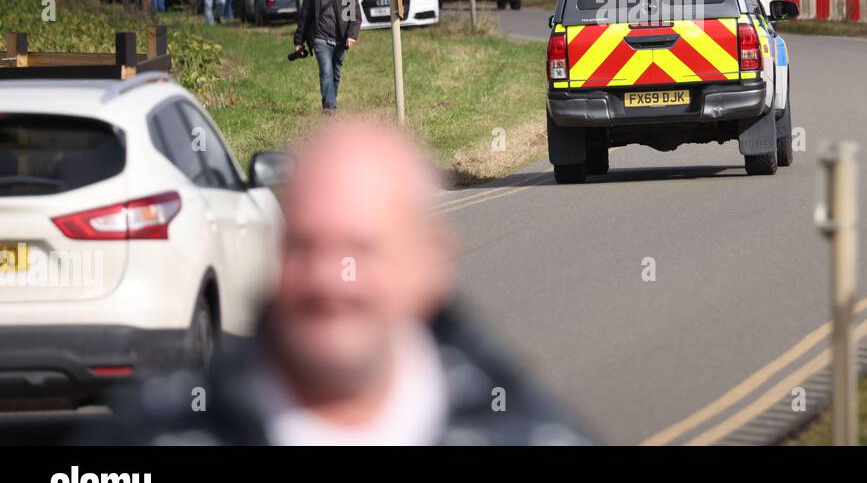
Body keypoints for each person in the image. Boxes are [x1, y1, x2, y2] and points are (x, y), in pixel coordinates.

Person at [84, 119, 592, 446]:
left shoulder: (531, 433)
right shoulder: (144, 438)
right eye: (306, 245)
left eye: (361, 249)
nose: (331, 280)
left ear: (430, 264)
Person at [294, 0, 361, 114]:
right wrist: (299, 41)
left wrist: (351, 36)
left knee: (336, 74)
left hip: (341, 40)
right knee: (326, 72)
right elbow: (304, 18)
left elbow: (354, 17)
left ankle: (330, 100)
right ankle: (329, 108)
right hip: (320, 39)